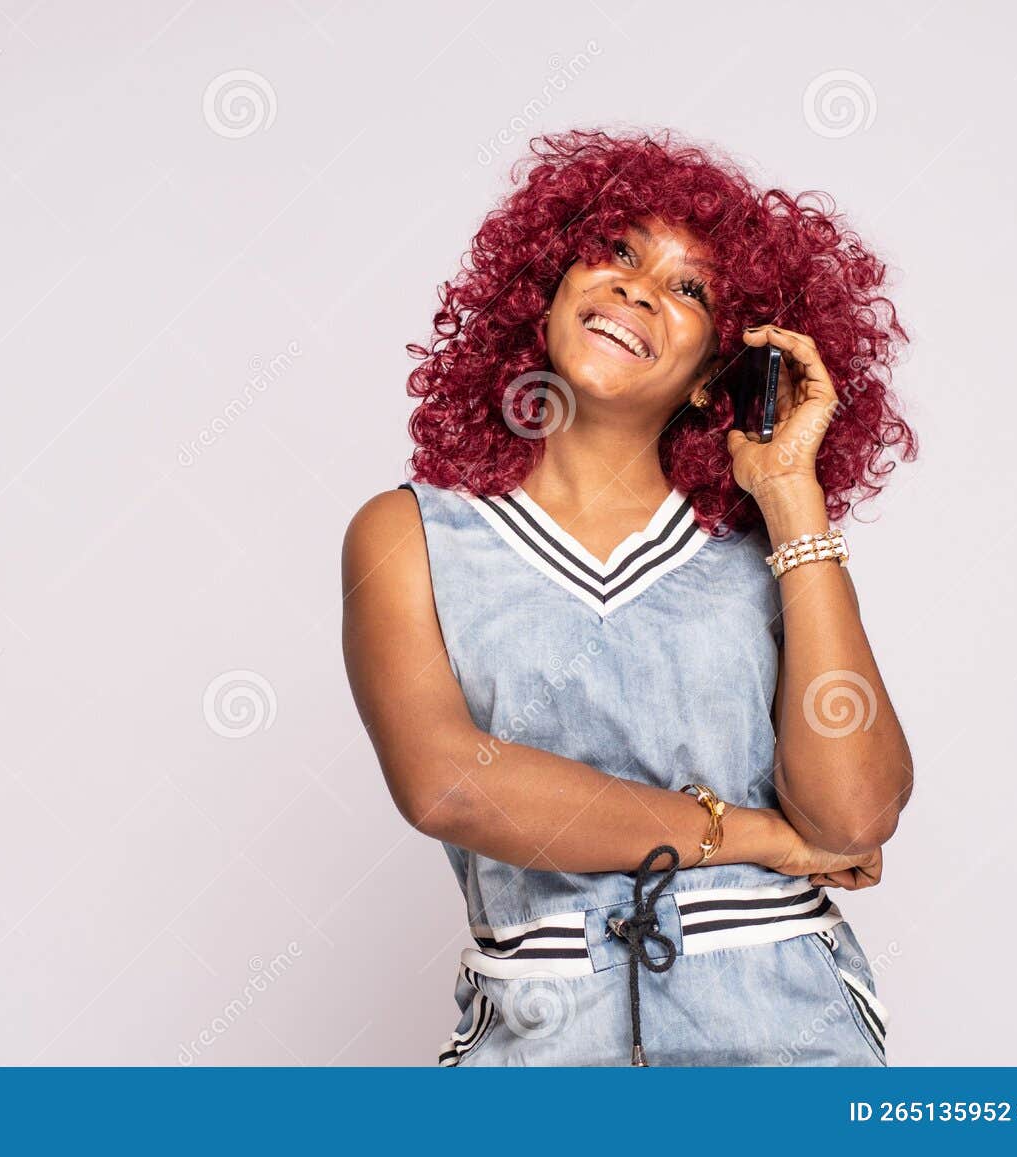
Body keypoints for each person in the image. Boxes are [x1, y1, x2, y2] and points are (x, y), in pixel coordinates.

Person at [341, 128, 917, 1066]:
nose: (639, 287)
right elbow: (450, 781)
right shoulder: (411, 534)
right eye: (616, 251)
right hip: (538, 1042)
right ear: (549, 288)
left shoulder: (757, 549)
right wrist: (759, 836)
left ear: (709, 380)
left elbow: (853, 819)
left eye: (689, 290)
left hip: (787, 1037)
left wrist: (790, 496)